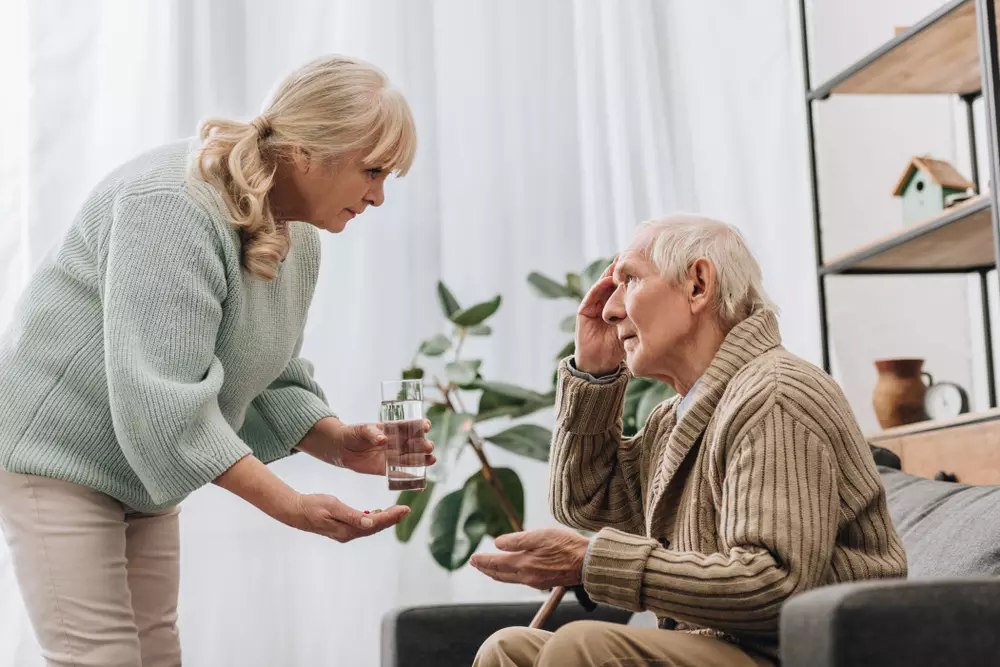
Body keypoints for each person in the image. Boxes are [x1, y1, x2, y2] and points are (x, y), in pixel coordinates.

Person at [0, 55, 433, 667]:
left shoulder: (298, 232)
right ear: (308, 151)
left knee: (156, 655)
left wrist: (338, 441)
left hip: (140, 467)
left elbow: (269, 369)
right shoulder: (172, 206)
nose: (379, 195)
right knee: (100, 658)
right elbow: (163, 400)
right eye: (372, 170)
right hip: (58, 455)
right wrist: (292, 505)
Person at [471, 214, 907, 666]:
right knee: (508, 649)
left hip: (799, 653)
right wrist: (594, 373)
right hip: (731, 649)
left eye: (631, 280)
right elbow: (584, 500)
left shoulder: (776, 395)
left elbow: (775, 583)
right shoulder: (678, 417)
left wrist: (591, 562)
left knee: (580, 647)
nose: (609, 309)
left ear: (698, 285)